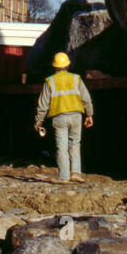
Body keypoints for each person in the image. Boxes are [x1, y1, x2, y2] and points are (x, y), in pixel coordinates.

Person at [34, 52, 93, 184]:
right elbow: (86, 98)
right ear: (67, 65)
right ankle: (76, 173)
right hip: (76, 116)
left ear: (54, 66)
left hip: (59, 117)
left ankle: (64, 176)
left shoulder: (50, 81)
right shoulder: (76, 79)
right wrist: (89, 114)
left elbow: (43, 104)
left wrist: (39, 121)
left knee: (62, 146)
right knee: (75, 144)